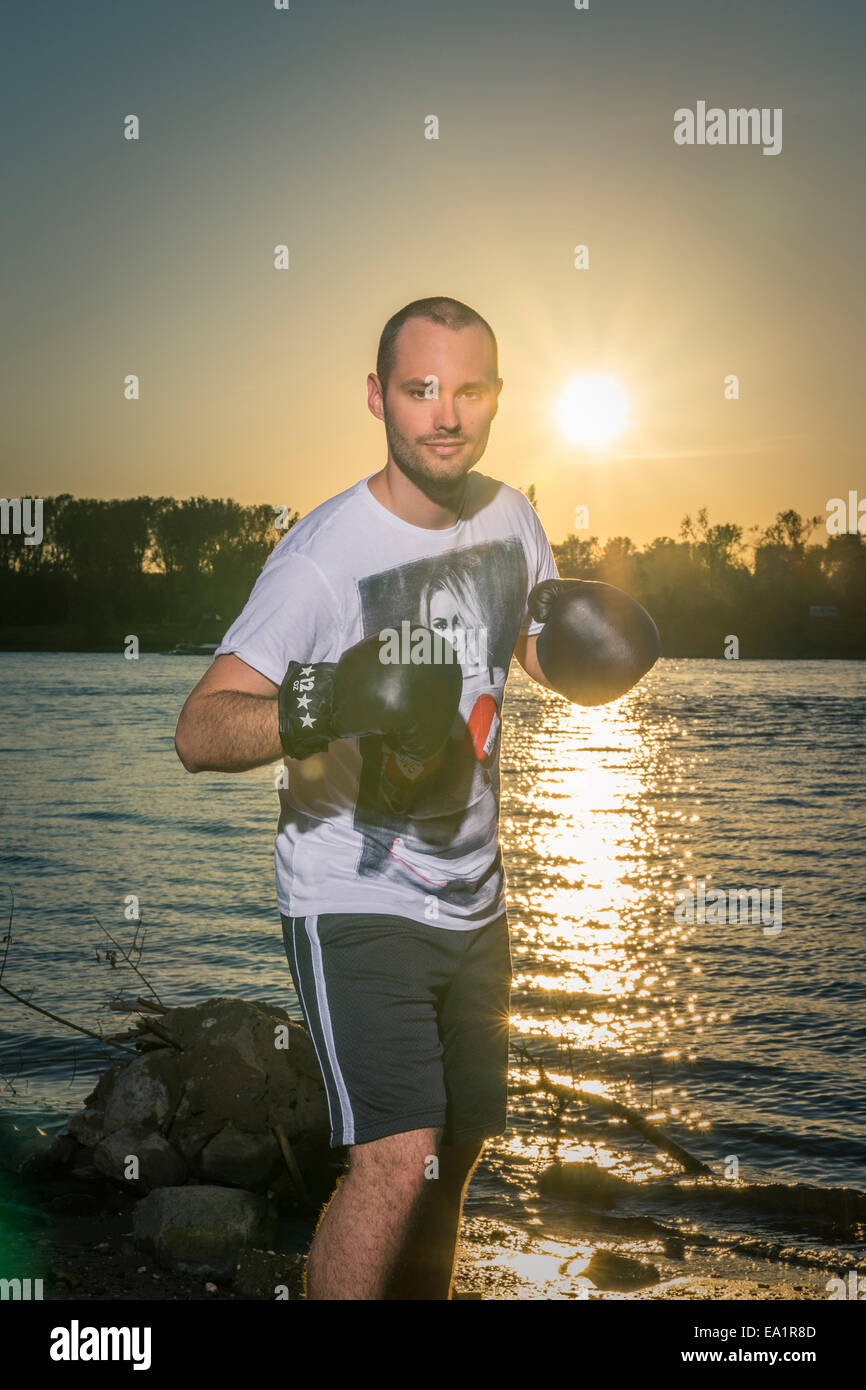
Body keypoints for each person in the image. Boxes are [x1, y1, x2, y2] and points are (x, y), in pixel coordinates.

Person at [174, 295, 659, 1300]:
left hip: (476, 901)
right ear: (377, 398)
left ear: (495, 399)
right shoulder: (321, 556)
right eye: (419, 388)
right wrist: (330, 699)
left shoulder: (511, 515)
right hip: (352, 898)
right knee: (395, 1158)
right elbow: (201, 728)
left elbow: (516, 650)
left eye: (468, 389)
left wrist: (572, 652)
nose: (445, 414)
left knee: (457, 1149)